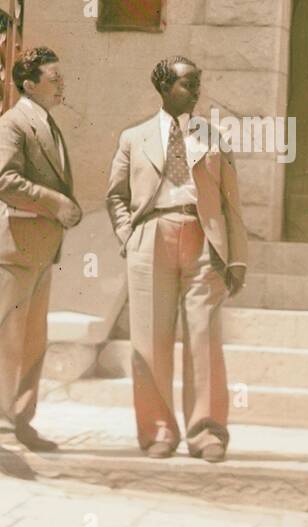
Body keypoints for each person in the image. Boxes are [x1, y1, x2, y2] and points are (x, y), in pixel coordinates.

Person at [106, 57, 247, 462]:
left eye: (199, 83)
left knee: (203, 337)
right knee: (150, 339)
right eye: (188, 84)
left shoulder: (213, 137)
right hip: (152, 236)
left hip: (203, 238)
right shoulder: (134, 138)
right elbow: (116, 195)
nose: (196, 91)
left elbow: (230, 202)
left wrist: (236, 258)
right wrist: (128, 236)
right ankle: (158, 431)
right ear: (165, 88)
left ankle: (206, 433)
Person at [0, 46, 81, 461]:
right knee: (2, 342)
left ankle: (19, 421)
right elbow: (4, 182)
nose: (61, 84)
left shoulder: (45, 123)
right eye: (54, 78)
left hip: (35, 251)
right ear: (29, 84)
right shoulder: (12, 125)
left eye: (60, 77)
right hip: (10, 249)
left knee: (32, 343)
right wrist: (57, 204)